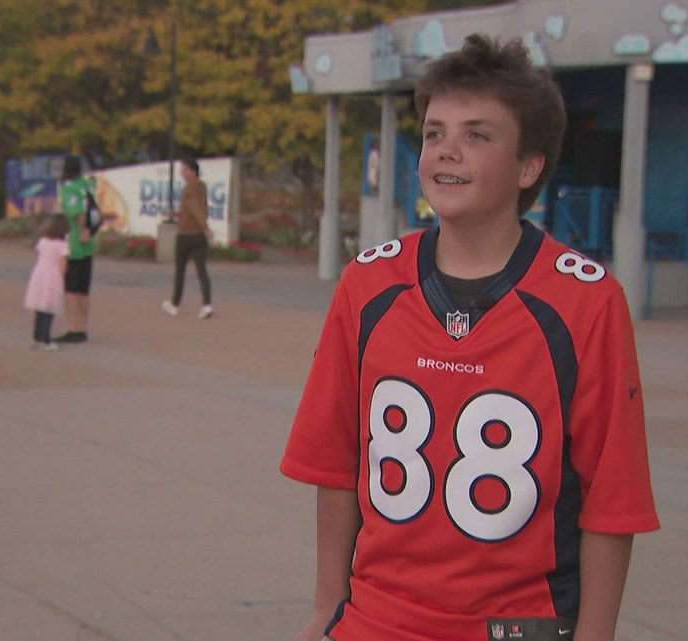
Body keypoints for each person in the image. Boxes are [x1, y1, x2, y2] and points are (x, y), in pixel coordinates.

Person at [280, 35, 660, 641]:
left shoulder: (586, 301)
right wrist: (328, 606)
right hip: (377, 621)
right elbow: (337, 462)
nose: (446, 152)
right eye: (435, 133)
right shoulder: (368, 282)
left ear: (529, 165)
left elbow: (611, 500)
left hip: (518, 626)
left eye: (477, 135)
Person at [161, 157, 214, 319]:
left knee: (180, 271)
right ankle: (206, 304)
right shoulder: (202, 186)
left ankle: (175, 303)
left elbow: (194, 208)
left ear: (192, 171)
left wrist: (206, 228)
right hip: (198, 236)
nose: (182, 173)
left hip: (186, 235)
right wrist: (175, 214)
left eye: (184, 170)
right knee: (202, 270)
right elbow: (193, 210)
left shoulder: (188, 189)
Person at [54, 156, 95, 343]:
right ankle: (83, 328)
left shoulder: (68, 187)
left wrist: (83, 230)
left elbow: (77, 211)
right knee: (84, 289)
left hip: (75, 243)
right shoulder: (87, 184)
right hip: (89, 245)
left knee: (71, 289)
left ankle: (73, 328)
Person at [24, 215, 70, 350]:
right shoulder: (62, 245)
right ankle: (46, 339)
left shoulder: (43, 241)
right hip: (53, 276)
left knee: (39, 308)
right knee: (49, 307)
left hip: (39, 273)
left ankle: (37, 337)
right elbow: (62, 264)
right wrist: (63, 277)